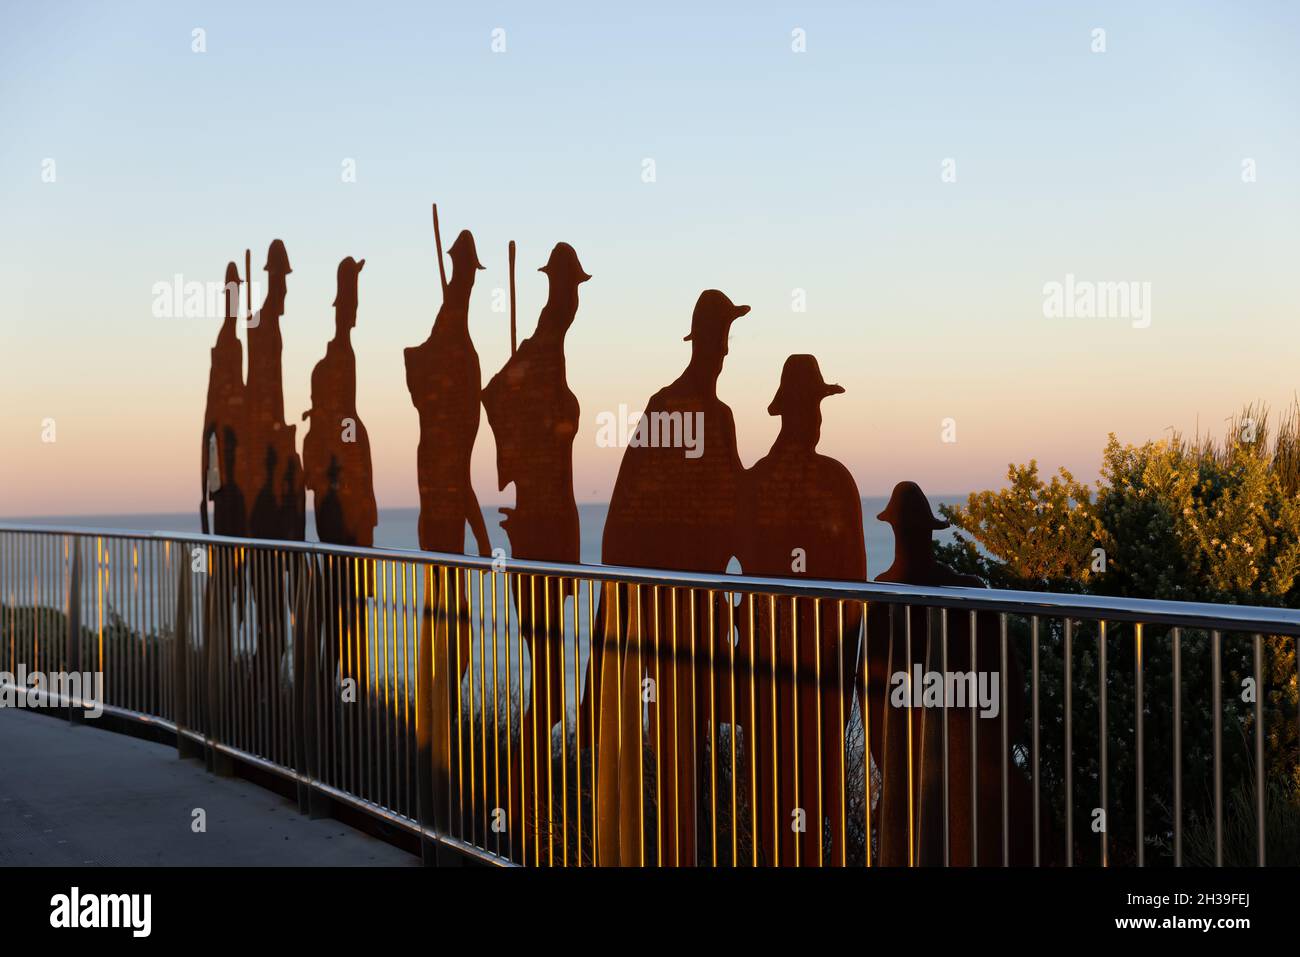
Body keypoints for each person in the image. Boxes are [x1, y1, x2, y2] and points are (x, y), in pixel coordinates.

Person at [592, 289, 749, 866]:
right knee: (677, 742)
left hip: (695, 610)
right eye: (721, 333)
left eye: (727, 334)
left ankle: (684, 846)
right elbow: (627, 512)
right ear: (706, 339)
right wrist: (620, 607)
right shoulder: (672, 409)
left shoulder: (709, 415)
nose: (726, 346)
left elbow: (736, 511)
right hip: (670, 609)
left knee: (692, 741)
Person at [733, 355, 865, 866]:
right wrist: (850, 678)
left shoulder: (752, 483)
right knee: (821, 791)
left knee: (773, 791)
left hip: (765, 669)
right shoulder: (836, 482)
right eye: (816, 407)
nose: (818, 419)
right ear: (805, 413)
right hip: (823, 668)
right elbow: (856, 592)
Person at [481, 242, 588, 863]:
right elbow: (494, 397)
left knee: (551, 679)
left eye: (575, 287)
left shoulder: (554, 346)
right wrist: (514, 459)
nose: (574, 297)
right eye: (569, 285)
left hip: (554, 530)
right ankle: (515, 802)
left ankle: (520, 801)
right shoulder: (542, 342)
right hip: (541, 531)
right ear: (557, 287)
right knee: (550, 685)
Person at [866, 481, 1036, 865]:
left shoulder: (882, 598)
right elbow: (1009, 692)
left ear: (893, 529)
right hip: (974, 777)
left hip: (932, 777)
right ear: (931, 530)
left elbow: (876, 711)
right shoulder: (969, 591)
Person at [405, 226, 492, 856]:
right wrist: (485, 535)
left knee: (448, 636)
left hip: (442, 504)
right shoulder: (453, 339)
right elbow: (458, 459)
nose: (466, 279)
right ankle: (433, 771)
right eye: (465, 271)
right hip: (443, 506)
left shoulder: (451, 336)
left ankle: (432, 760)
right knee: (450, 638)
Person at [200, 261, 247, 537]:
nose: (236, 301)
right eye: (232, 294)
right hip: (227, 471)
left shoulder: (234, 341)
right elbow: (215, 406)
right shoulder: (227, 342)